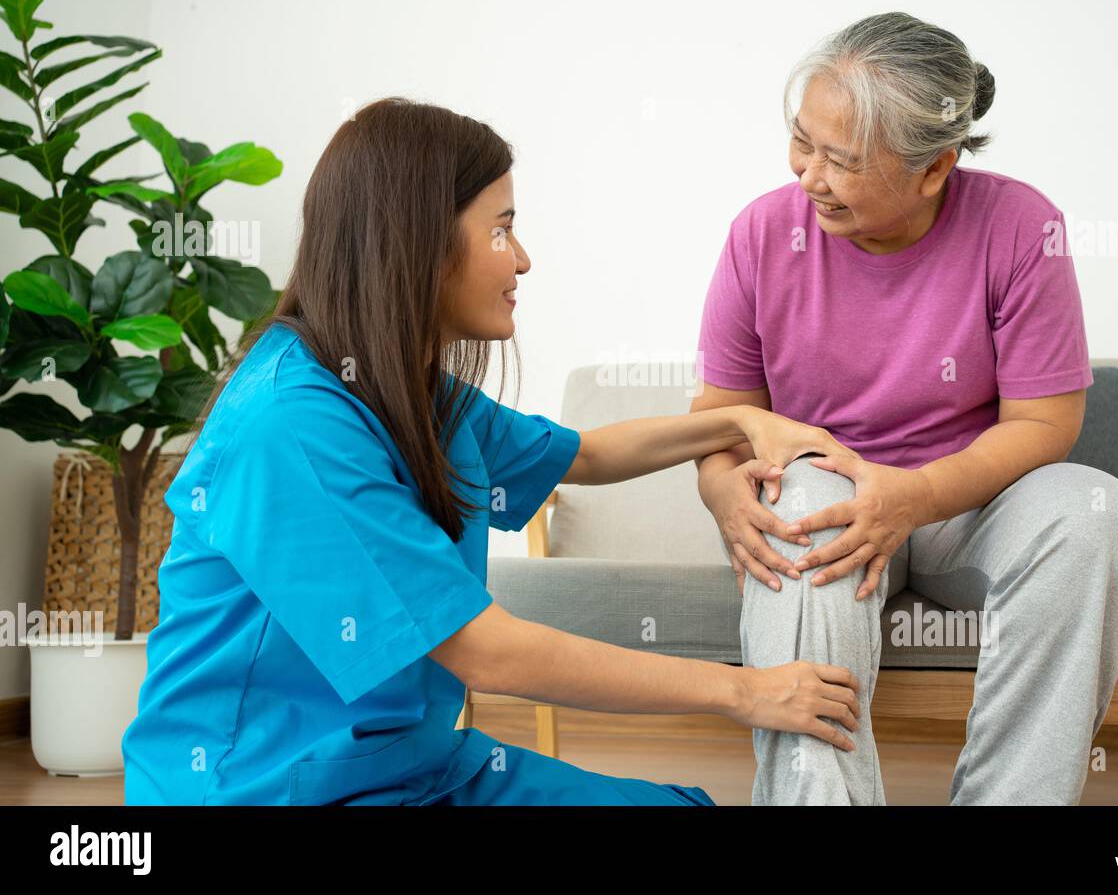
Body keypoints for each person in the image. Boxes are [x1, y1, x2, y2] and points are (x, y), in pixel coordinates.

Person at [122, 98, 865, 806]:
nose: (525, 260)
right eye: (502, 230)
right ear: (416, 240)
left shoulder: (405, 389)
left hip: (412, 768)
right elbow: (489, 653)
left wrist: (740, 424)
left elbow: (589, 456)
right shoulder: (292, 425)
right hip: (265, 785)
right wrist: (746, 691)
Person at [692, 12, 1118, 805]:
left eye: (840, 161)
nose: (808, 175)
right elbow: (723, 416)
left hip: (967, 506)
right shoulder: (763, 234)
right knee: (802, 503)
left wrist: (915, 495)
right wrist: (718, 490)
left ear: (934, 168)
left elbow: (1046, 424)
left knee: (1098, 513)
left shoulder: (1019, 227)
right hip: (826, 498)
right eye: (802, 140)